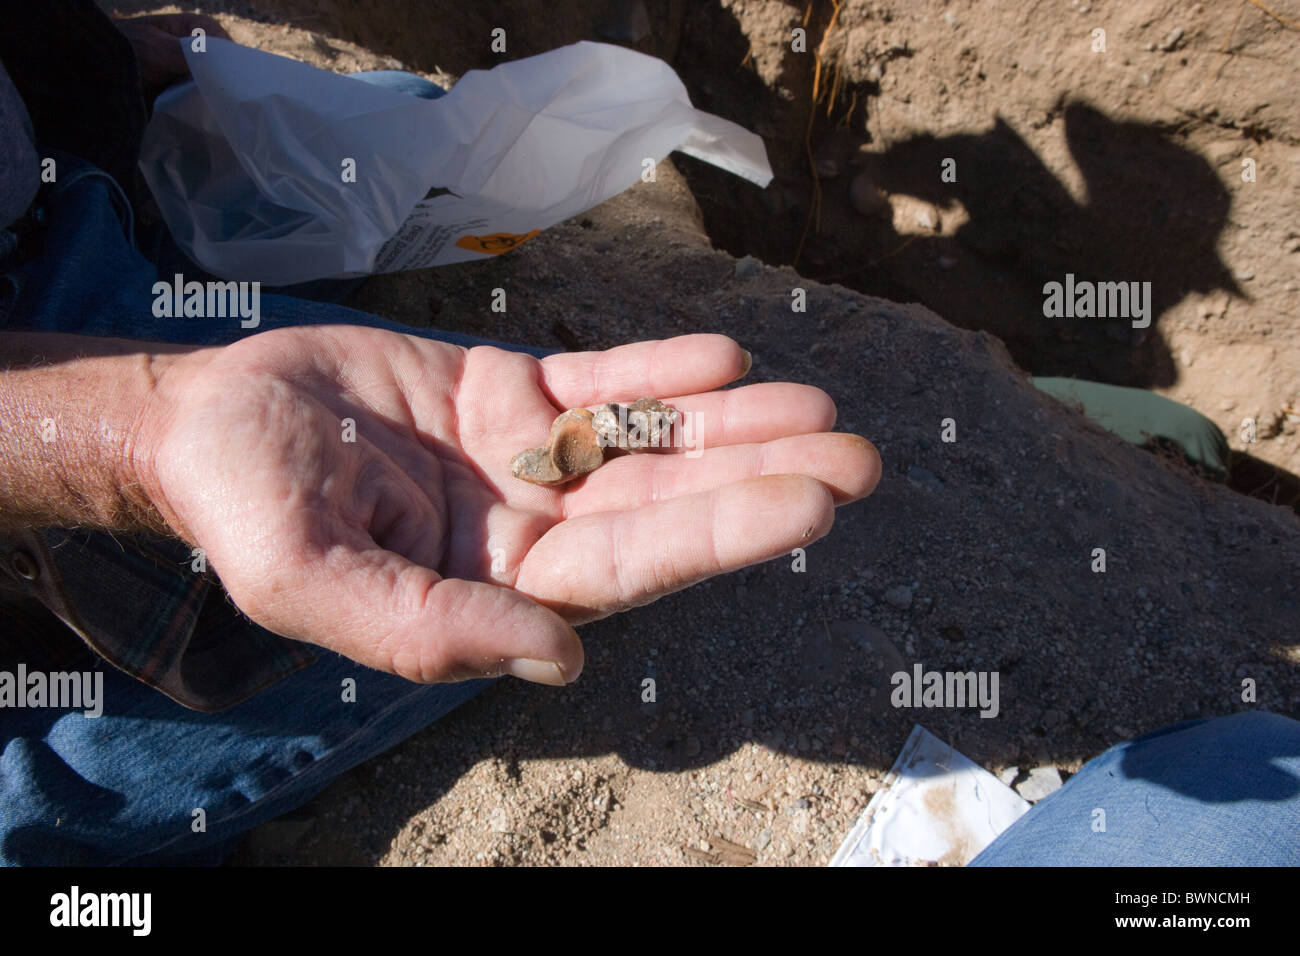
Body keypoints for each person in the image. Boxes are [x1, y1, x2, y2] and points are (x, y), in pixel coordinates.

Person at [0, 5, 880, 863]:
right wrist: (142, 433)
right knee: (453, 561)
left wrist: (85, 51)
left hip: (60, 193)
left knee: (407, 116)